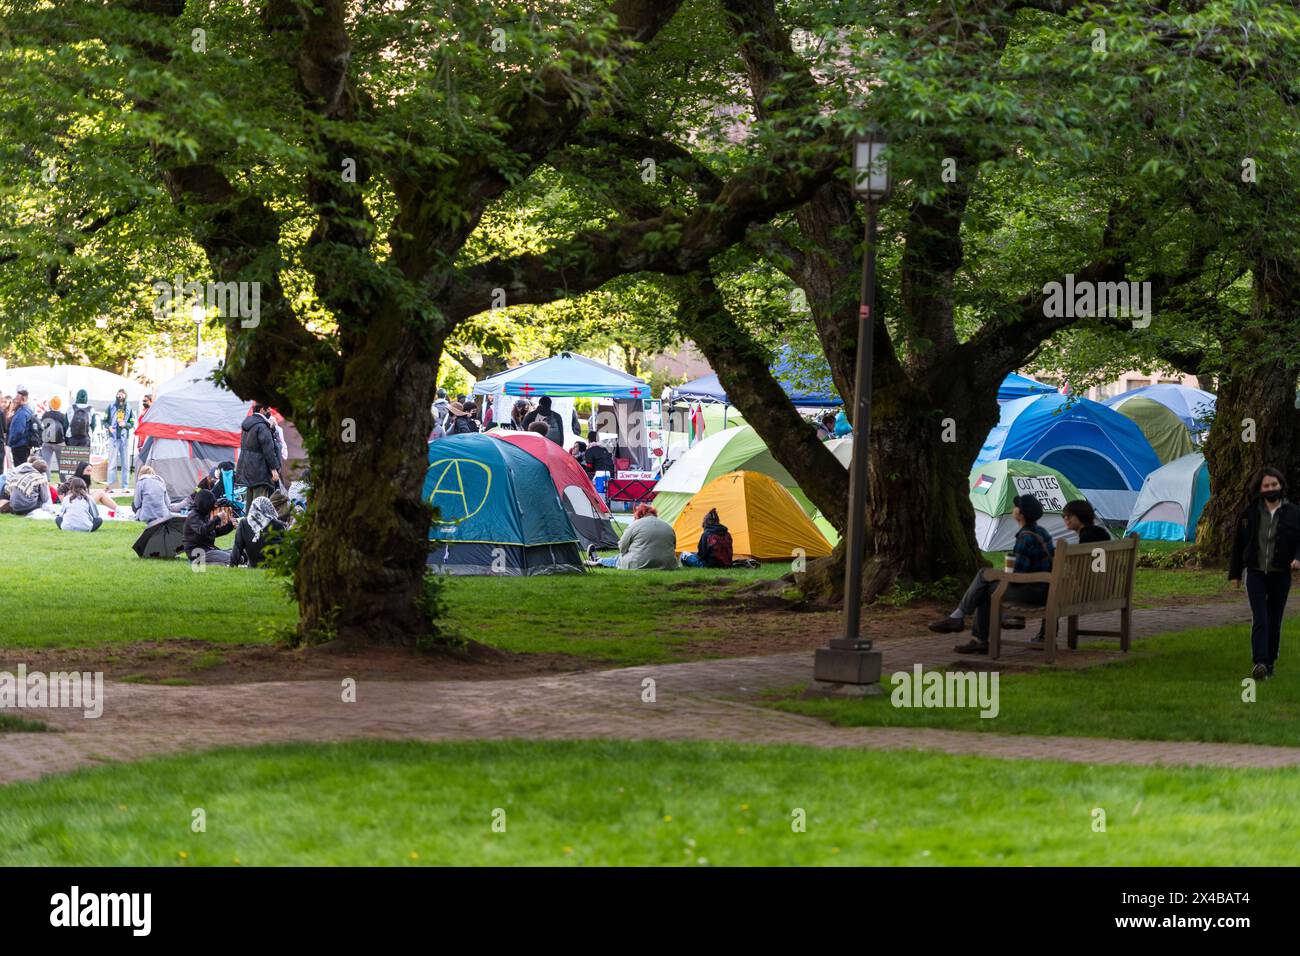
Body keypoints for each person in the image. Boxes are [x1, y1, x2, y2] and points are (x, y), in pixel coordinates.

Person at [928, 494, 1054, 655]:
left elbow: (1017, 575)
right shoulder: (1041, 532)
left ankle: (962, 622)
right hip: (1043, 588)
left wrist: (1000, 574)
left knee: (983, 580)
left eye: (1016, 507)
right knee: (985, 583)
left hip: (1032, 592)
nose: (1012, 509)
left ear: (1020, 515)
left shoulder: (1025, 538)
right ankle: (972, 635)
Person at [1229, 466, 1300, 680]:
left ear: (1281, 486)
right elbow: (1238, 544)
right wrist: (1235, 573)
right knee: (1260, 617)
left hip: (1281, 574)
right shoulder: (1249, 513)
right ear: (1260, 489)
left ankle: (1269, 663)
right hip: (1256, 573)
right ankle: (1259, 661)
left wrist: (1297, 558)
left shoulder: (1294, 512)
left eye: (1274, 484)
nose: (1271, 488)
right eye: (1266, 485)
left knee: (1274, 619)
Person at [586, 504, 679, 569]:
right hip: (668, 564)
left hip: (639, 564)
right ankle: (598, 560)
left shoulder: (635, 525)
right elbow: (673, 547)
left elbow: (622, 547)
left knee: (621, 558)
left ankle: (599, 561)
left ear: (639, 515)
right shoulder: (668, 526)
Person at [234, 403, 283, 508]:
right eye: (268, 409)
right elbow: (269, 450)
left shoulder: (247, 425)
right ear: (262, 410)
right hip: (260, 470)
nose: (270, 412)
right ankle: (254, 524)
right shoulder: (262, 426)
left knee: (249, 504)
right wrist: (274, 469)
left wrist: (272, 429)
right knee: (259, 506)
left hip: (247, 469)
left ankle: (246, 524)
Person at [230, 496, 287, 568]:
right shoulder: (277, 524)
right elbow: (286, 550)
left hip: (253, 566)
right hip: (274, 568)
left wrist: (232, 566)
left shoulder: (244, 523)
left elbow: (237, 549)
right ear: (270, 508)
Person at [182, 489, 236, 566]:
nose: (213, 506)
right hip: (198, 552)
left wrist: (230, 525)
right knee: (232, 559)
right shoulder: (194, 516)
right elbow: (203, 530)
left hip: (208, 549)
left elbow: (214, 532)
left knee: (238, 556)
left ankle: (206, 563)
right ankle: (198, 563)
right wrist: (217, 518)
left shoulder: (204, 515)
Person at [104, 388, 136, 490]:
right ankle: (112, 486)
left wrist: (125, 424)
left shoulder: (129, 408)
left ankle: (125, 487)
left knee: (125, 464)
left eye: (122, 395)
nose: (120, 397)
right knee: (112, 463)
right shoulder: (110, 406)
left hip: (124, 439)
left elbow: (132, 423)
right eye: (119, 395)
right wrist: (108, 427)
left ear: (125, 396)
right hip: (113, 438)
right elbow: (104, 421)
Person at [6, 386, 36, 473]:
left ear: (22, 399)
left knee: (20, 469)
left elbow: (19, 430)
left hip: (19, 445)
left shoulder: (22, 412)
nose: (15, 400)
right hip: (22, 444)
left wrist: (11, 441)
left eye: (17, 398)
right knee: (22, 467)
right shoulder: (26, 409)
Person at [39, 395, 69, 476]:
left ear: (51, 404)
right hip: (60, 443)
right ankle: (63, 482)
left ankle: (46, 480)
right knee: (62, 464)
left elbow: (42, 427)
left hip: (47, 442)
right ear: (60, 405)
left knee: (45, 463)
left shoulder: (46, 415)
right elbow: (66, 429)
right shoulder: (63, 416)